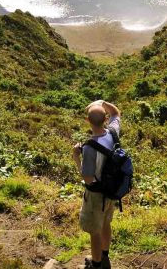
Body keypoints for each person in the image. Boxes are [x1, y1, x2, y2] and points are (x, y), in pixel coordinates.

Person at [72, 99, 121, 269]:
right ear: (105, 119)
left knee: (95, 231)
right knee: (106, 223)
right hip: (111, 191)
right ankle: (105, 256)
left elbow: (88, 179)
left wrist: (76, 158)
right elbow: (116, 113)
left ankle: (96, 264)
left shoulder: (89, 148)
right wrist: (103, 102)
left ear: (87, 121)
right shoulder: (113, 133)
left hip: (96, 196)